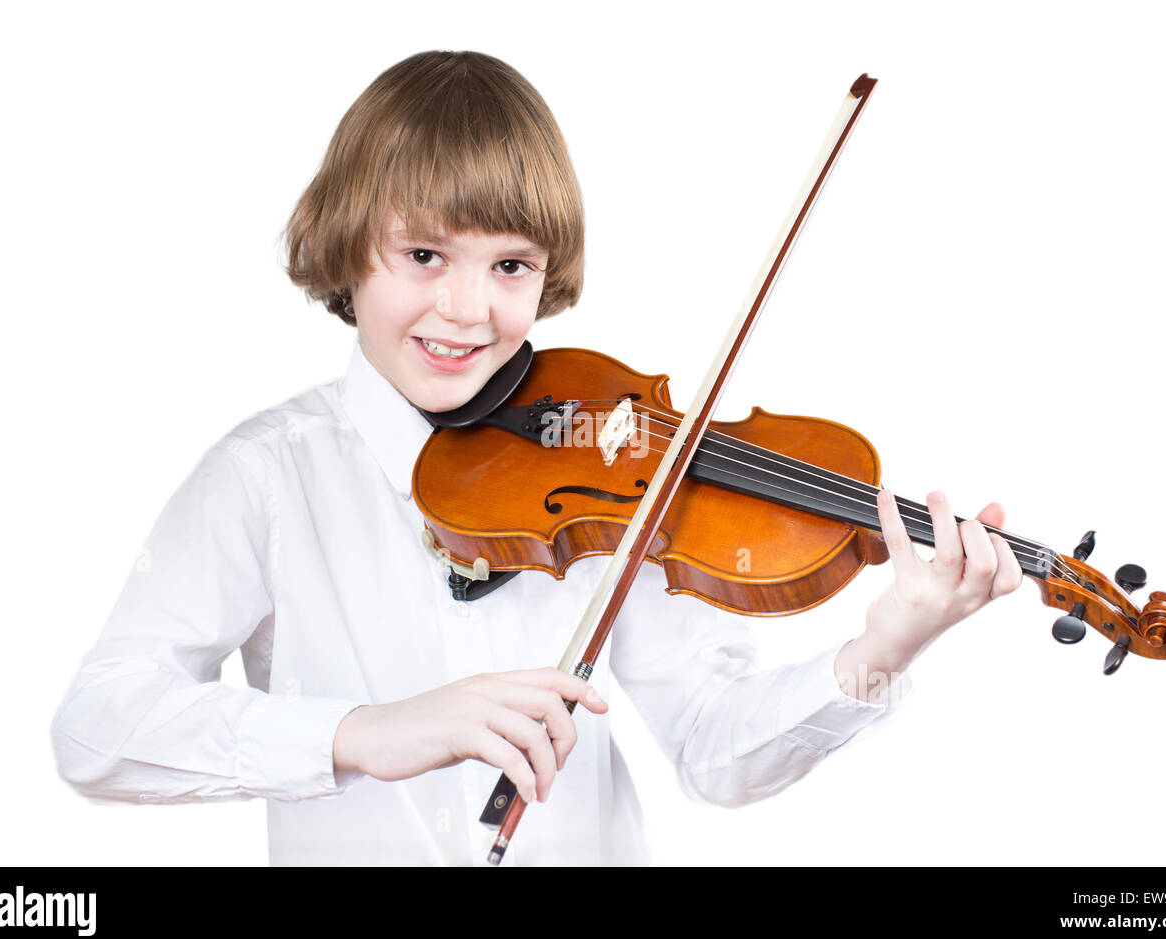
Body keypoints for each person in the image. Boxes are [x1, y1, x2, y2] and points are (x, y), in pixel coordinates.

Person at [51, 50, 1022, 866]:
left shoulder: (613, 469)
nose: (469, 310)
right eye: (424, 256)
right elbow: (97, 728)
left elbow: (716, 752)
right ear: (346, 247)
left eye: (509, 264)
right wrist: (364, 731)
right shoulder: (268, 475)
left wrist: (882, 645)